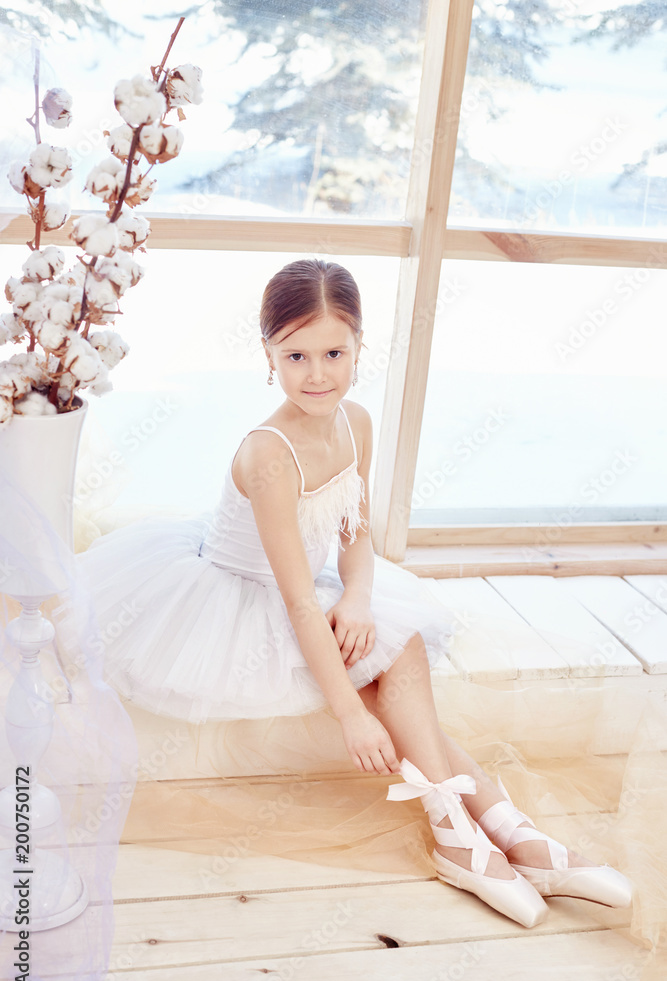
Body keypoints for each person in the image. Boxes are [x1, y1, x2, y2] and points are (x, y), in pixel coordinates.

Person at [75, 258, 632, 929]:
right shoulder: (268, 453)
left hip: (319, 587)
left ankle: (492, 835)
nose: (317, 374)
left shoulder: (356, 422)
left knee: (400, 643)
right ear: (268, 355)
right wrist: (349, 715)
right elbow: (297, 603)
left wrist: (361, 596)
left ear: (360, 346)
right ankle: (493, 833)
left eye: (334, 353)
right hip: (251, 595)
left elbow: (355, 532)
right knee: (381, 679)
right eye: (296, 356)